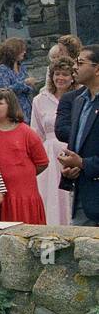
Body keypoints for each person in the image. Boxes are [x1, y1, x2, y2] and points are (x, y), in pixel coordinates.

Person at [0, 88, 48, 224]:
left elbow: (42, 162)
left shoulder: (26, 132)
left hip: (24, 196)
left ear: (11, 106)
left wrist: (24, 174)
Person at [29, 58, 74, 225]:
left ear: (72, 77)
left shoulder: (79, 97)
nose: (60, 78)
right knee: (50, 193)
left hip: (71, 150)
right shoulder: (40, 99)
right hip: (49, 152)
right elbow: (36, 132)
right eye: (57, 74)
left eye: (65, 74)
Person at [58, 45, 99, 225]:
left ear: (97, 68)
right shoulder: (78, 101)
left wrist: (82, 163)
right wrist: (70, 168)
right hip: (83, 197)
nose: (75, 67)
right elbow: (76, 146)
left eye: (80, 63)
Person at [0, 37, 38, 124]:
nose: (24, 52)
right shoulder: (2, 69)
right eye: (22, 50)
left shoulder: (22, 67)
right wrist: (24, 83)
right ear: (14, 51)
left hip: (28, 109)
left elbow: (29, 89)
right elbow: (6, 90)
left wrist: (28, 85)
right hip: (14, 109)